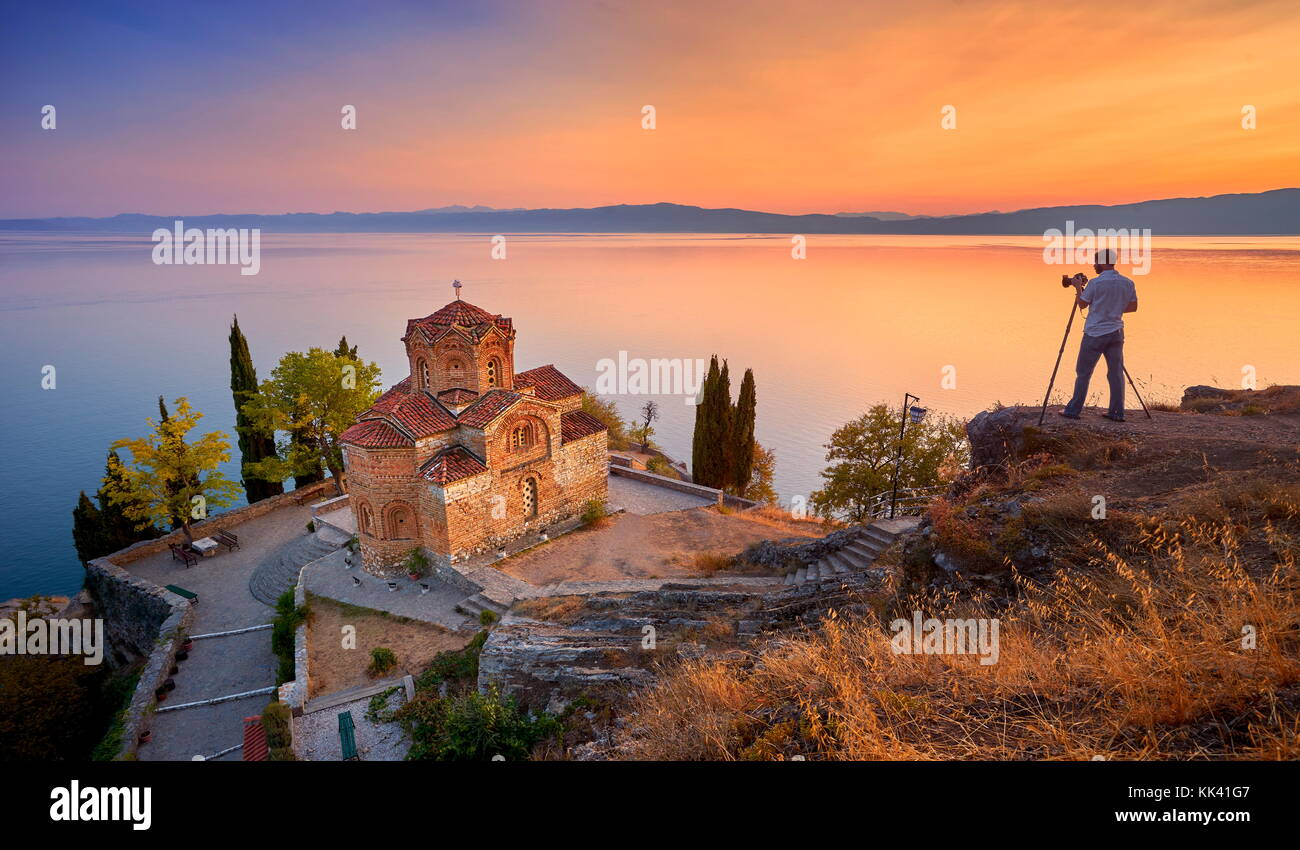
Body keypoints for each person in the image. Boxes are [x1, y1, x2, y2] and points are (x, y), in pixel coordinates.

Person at [1060, 248, 1138, 422]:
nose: (1094, 266)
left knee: (1083, 372)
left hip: (1095, 334)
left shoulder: (1096, 284)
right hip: (1116, 332)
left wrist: (1078, 287)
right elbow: (1133, 307)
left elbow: (1082, 304)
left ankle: (1073, 411)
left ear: (1102, 262)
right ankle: (1117, 412)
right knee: (1116, 373)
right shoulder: (1128, 282)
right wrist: (1114, 309)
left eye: (1095, 262)